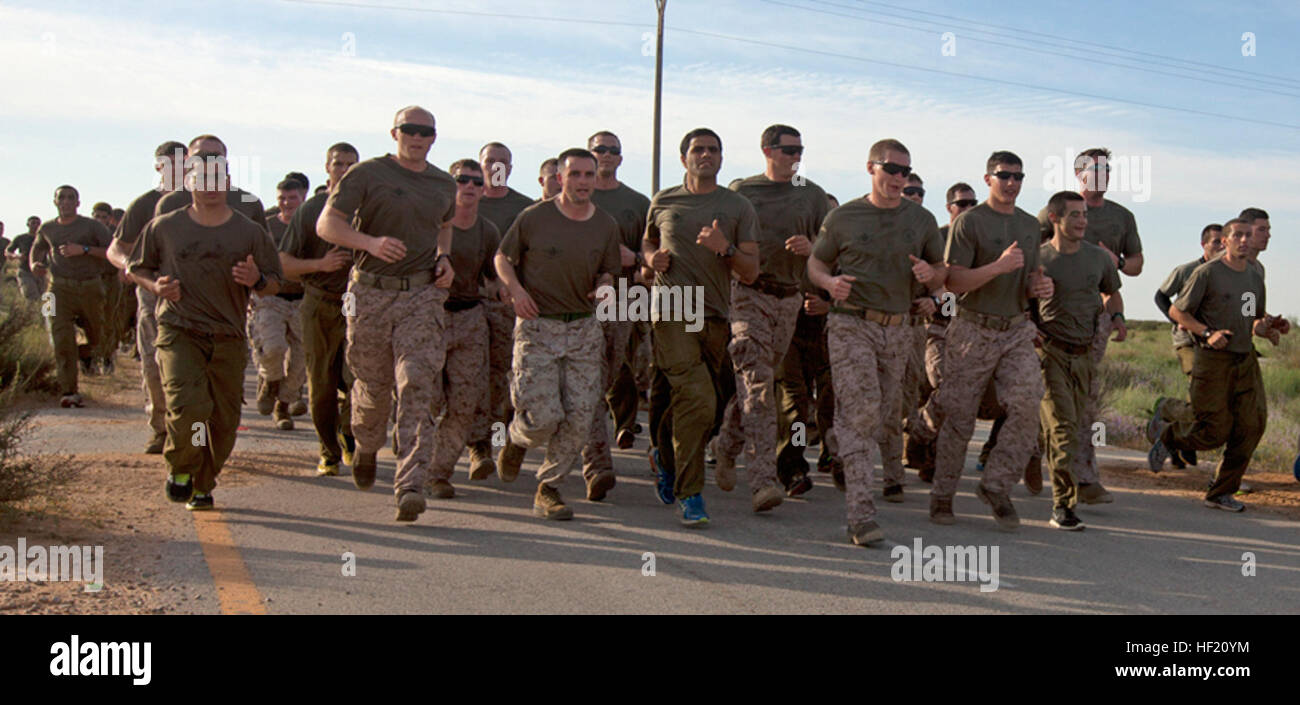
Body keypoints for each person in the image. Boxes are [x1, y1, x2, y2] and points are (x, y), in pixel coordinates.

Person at [317, 106, 456, 523]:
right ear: (394, 133)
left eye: (425, 132)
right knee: (373, 387)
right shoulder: (367, 174)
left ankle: (410, 484)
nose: (417, 137)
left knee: (416, 382)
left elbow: (445, 225)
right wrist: (369, 242)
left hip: (420, 295)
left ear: (434, 138)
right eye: (410, 130)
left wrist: (444, 257)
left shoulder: (442, 183)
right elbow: (327, 225)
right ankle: (365, 444)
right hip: (370, 293)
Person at [126, 150, 285, 510]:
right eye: (202, 179)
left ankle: (203, 482)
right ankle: (182, 467)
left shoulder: (250, 231)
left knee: (224, 422)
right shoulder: (165, 226)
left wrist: (257, 279)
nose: (210, 187)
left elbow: (276, 282)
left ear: (227, 184)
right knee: (189, 407)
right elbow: (137, 268)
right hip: (179, 329)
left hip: (228, 335)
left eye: (218, 179)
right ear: (189, 182)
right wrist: (157, 288)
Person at [808, 138, 946, 546]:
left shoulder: (921, 221)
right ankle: (861, 517)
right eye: (891, 169)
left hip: (899, 328)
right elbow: (816, 262)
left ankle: (839, 441)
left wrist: (929, 277)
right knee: (863, 411)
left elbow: (941, 272)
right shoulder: (845, 217)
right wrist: (830, 282)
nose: (898, 179)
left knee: (883, 415)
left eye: (905, 172)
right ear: (871, 168)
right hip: (852, 324)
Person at [926, 151, 1052, 531]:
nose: (1011, 183)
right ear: (988, 179)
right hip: (972, 327)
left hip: (1015, 328)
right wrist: (997, 266)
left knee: (1028, 402)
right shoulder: (970, 222)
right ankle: (943, 495)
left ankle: (996, 485)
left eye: (1018, 176)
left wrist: (1039, 286)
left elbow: (1030, 278)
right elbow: (953, 282)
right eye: (1004, 176)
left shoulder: (1029, 226)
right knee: (960, 417)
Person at [495, 148, 621, 519]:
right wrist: (516, 291)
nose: (583, 182)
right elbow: (503, 257)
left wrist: (606, 286)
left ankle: (548, 488)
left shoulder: (605, 225)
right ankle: (518, 439)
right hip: (538, 326)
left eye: (589, 175)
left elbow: (608, 270)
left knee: (580, 415)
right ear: (560, 177)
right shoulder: (535, 217)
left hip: (583, 327)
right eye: (576, 174)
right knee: (543, 416)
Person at [643, 128, 759, 526]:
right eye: (698, 150)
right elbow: (647, 245)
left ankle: (663, 453)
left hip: (714, 314)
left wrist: (723, 248)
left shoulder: (738, 206)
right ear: (684, 158)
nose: (706, 155)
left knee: (710, 404)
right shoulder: (664, 201)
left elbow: (751, 270)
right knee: (698, 398)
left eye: (713, 150)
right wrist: (651, 258)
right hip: (672, 308)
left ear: (722, 159)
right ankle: (690, 494)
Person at [713, 124, 829, 509]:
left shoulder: (809, 194)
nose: (795, 156)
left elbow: (828, 253)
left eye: (800, 150)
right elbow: (719, 245)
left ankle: (726, 443)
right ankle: (764, 480)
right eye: (788, 150)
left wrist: (811, 248)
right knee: (760, 387)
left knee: (754, 384)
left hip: (789, 300)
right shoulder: (743, 192)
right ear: (767, 150)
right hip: (748, 294)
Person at [1149, 218, 1287, 511]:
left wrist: (1271, 327)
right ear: (1225, 241)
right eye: (1238, 235)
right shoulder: (1207, 274)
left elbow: (1252, 319)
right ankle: (1168, 433)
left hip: (1244, 358)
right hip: (1212, 360)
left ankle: (1221, 492)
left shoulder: (1253, 277)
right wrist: (1207, 333)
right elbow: (1177, 311)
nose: (1245, 241)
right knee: (1214, 430)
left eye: (1249, 236)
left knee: (1252, 426)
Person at [1036, 147, 1141, 499]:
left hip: (1094, 318)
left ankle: (1084, 476)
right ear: (1079, 174)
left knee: (1085, 397)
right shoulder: (1054, 210)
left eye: (1108, 170)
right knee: (1045, 396)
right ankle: (1026, 450)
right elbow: (1032, 258)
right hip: (1051, 317)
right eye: (1096, 170)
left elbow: (1136, 265)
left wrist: (1118, 264)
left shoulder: (1121, 218)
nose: (1104, 176)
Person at [1036, 191, 1123, 530]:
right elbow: (1021, 302)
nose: (1082, 221)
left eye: (1084, 214)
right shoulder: (1039, 258)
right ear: (1055, 218)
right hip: (1051, 353)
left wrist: (1118, 319)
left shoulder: (1097, 258)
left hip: (1084, 353)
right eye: (1074, 215)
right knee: (1063, 428)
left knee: (1072, 424)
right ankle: (1063, 505)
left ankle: (1036, 452)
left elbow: (1111, 291)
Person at [278, 142, 360, 477]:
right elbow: (284, 264)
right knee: (321, 384)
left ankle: (349, 431)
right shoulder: (311, 210)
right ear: (327, 167)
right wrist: (321, 264)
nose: (344, 170)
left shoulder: (369, 207)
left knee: (361, 379)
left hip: (358, 305)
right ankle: (328, 450)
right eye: (338, 164)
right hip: (319, 301)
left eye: (352, 165)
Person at [107, 140, 188, 453]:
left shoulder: (206, 202)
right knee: (154, 367)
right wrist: (128, 266)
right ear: (158, 168)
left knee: (193, 371)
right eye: (167, 164)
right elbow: (117, 248)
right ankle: (159, 428)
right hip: (153, 295)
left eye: (181, 163)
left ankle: (194, 436)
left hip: (197, 297)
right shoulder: (144, 205)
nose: (175, 170)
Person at [582, 130, 650, 499]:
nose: (605, 155)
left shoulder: (636, 202)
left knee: (613, 369)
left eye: (612, 151)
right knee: (587, 378)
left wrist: (636, 260)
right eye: (599, 150)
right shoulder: (575, 197)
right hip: (577, 299)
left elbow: (649, 255)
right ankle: (596, 463)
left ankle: (620, 426)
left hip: (623, 297)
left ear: (620, 159)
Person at [427, 159, 499, 497]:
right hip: (430, 317)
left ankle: (439, 473)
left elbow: (494, 276)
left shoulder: (488, 231)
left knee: (464, 402)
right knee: (425, 398)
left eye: (475, 181)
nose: (468, 187)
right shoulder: (430, 226)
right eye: (461, 180)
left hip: (470, 318)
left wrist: (509, 290)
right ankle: (414, 465)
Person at [470, 142, 536, 481]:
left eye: (502, 162)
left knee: (504, 381)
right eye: (490, 161)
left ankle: (497, 441)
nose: (496, 166)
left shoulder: (525, 209)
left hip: (509, 308)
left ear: (511, 167)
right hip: (467, 304)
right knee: (471, 378)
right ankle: (478, 445)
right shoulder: (466, 202)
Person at [904, 182, 976, 481]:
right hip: (937, 327)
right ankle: (921, 435)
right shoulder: (937, 238)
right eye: (962, 204)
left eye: (973, 203)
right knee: (944, 387)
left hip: (971, 329)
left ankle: (932, 453)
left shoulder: (978, 242)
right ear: (950, 208)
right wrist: (930, 298)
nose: (968, 209)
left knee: (960, 396)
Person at [1149, 223, 1224, 468]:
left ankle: (1176, 435)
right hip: (1189, 342)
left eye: (1224, 241)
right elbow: (1160, 296)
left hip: (1218, 345)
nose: (1221, 246)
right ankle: (1169, 414)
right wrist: (1177, 320)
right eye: (1216, 242)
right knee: (1201, 394)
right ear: (1204, 245)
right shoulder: (1187, 270)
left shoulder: (1231, 273)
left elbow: (1245, 306)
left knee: (1213, 400)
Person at [30, 185, 113, 408]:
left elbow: (112, 252)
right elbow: (37, 249)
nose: (65, 202)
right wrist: (34, 264)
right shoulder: (47, 228)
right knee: (60, 339)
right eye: (61, 198)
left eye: (70, 198)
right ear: (55, 202)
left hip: (90, 287)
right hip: (57, 289)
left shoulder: (92, 226)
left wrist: (84, 249)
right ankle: (69, 391)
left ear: (78, 203)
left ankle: (86, 356)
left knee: (97, 337)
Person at [252, 175, 310, 430]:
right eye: (282, 199)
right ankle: (271, 381)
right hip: (270, 298)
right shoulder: (265, 228)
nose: (286, 203)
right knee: (272, 347)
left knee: (301, 361)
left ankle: (283, 406)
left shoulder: (313, 227)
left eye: (292, 198)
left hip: (303, 300)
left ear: (303, 198)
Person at [154, 135, 267, 230]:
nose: (209, 159)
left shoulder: (248, 203)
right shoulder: (170, 204)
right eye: (201, 155)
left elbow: (265, 251)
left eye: (216, 155)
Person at [6, 216, 43, 300]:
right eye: (33, 223)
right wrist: (17, 256)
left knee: (43, 299)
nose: (36, 225)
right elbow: (8, 251)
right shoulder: (21, 238)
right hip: (25, 271)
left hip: (40, 272)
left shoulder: (44, 238)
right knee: (31, 296)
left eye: (38, 223)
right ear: (28, 224)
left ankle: (36, 313)